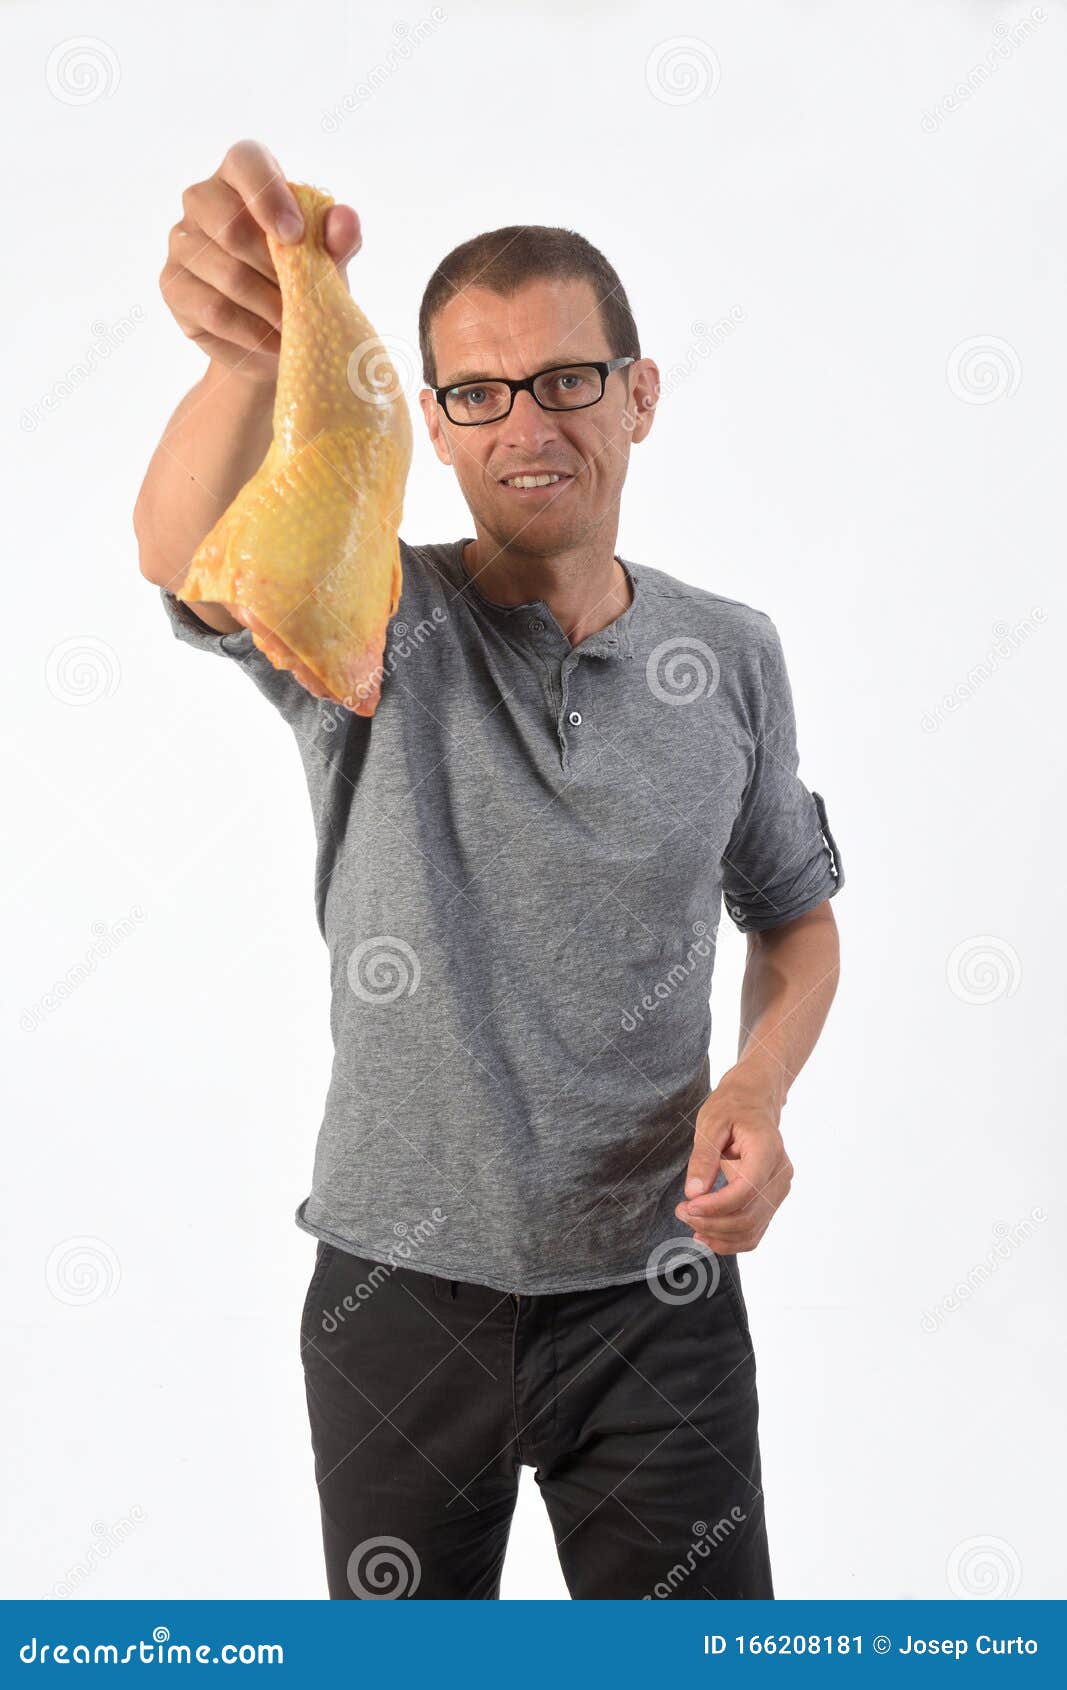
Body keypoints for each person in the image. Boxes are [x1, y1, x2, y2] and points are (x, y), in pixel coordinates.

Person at [134, 139, 845, 1601]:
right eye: (478, 392)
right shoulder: (373, 620)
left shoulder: (736, 653)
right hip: (400, 1296)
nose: (529, 422)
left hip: (660, 1293)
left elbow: (797, 918)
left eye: (569, 378)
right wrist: (240, 362)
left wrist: (757, 1088)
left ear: (640, 394)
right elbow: (186, 556)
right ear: (437, 427)